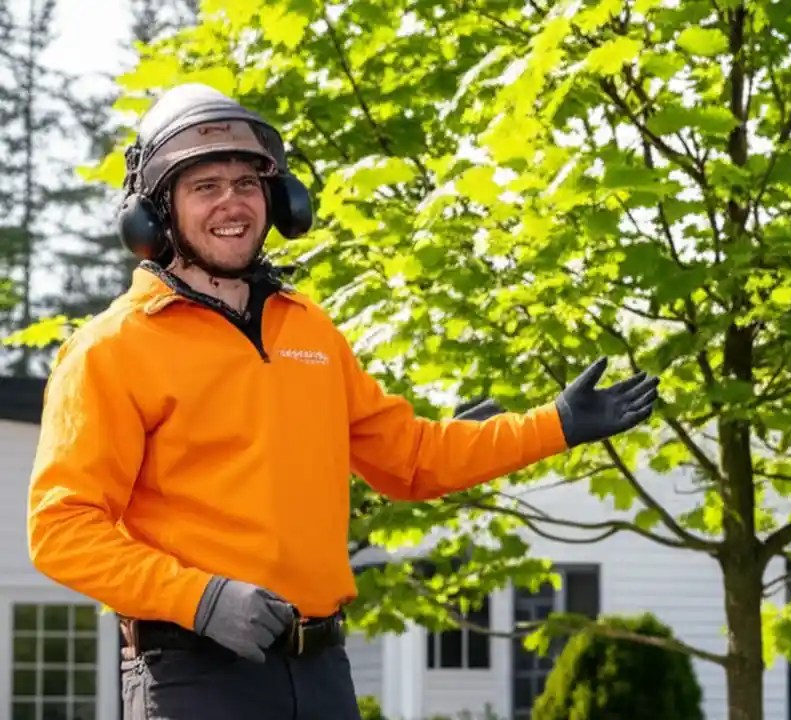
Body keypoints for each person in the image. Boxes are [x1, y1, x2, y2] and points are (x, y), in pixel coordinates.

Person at [25, 83, 660, 720]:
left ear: (278, 202)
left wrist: (556, 425)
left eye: (247, 183)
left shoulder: (309, 330)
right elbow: (62, 530)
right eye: (205, 186)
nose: (232, 203)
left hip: (322, 671)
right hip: (196, 679)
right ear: (157, 215)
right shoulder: (110, 348)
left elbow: (411, 459)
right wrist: (201, 598)